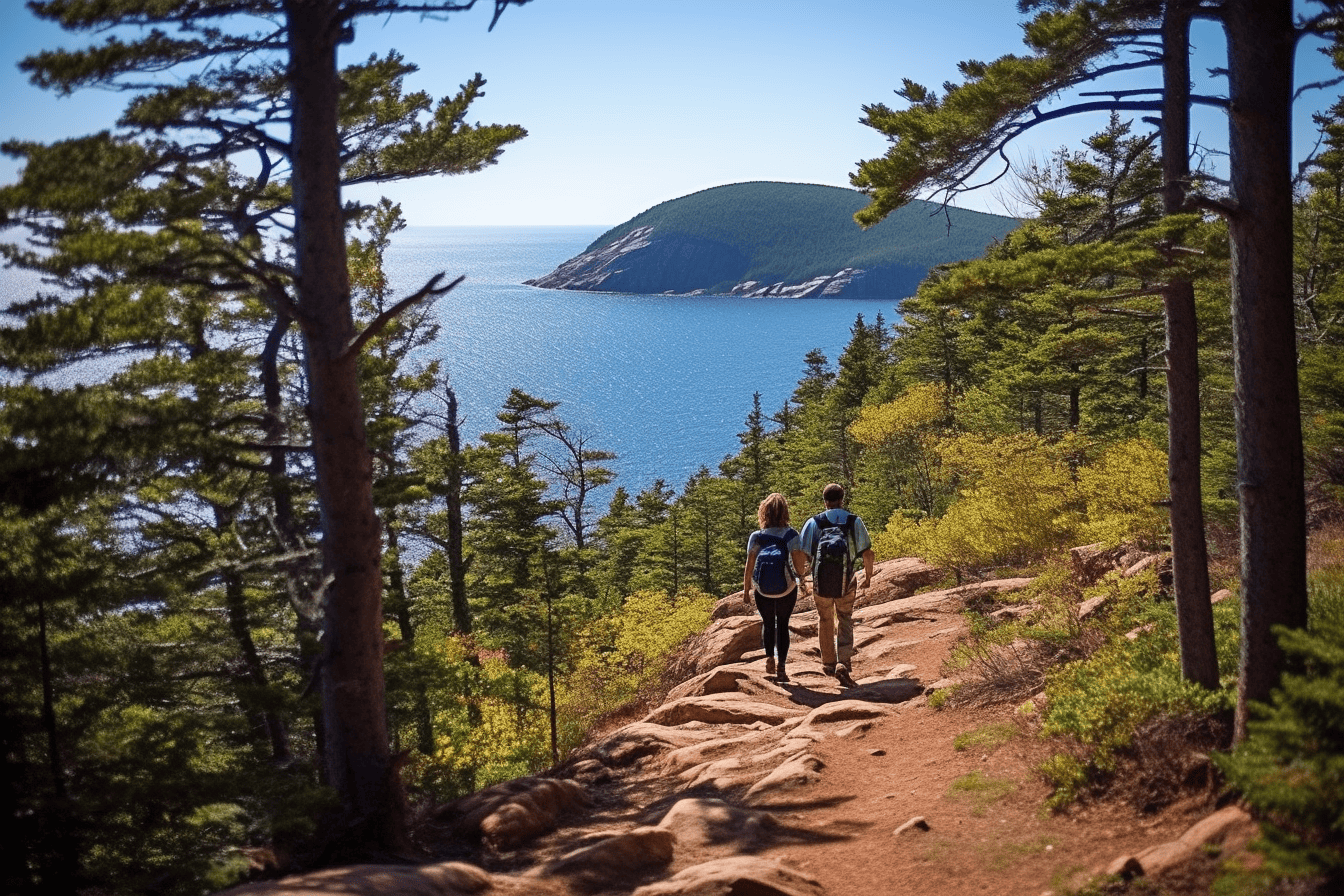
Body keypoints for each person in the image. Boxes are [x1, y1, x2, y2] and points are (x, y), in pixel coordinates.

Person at [799, 482, 874, 688]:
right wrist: (868, 576)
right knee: (845, 618)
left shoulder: (813, 523)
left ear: (825, 502)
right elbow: (867, 552)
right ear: (842, 499)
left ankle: (829, 664)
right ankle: (844, 662)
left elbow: (802, 554)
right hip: (846, 580)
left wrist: (801, 579)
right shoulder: (853, 521)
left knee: (825, 618)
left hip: (820, 583)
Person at [743, 492, 810, 683]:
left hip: (762, 589)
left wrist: (746, 590)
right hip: (786, 588)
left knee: (767, 623)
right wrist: (802, 581)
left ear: (764, 513)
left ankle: (769, 658)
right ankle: (782, 667)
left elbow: (750, 564)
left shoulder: (756, 536)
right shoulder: (791, 534)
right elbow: (798, 567)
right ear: (785, 512)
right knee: (782, 624)